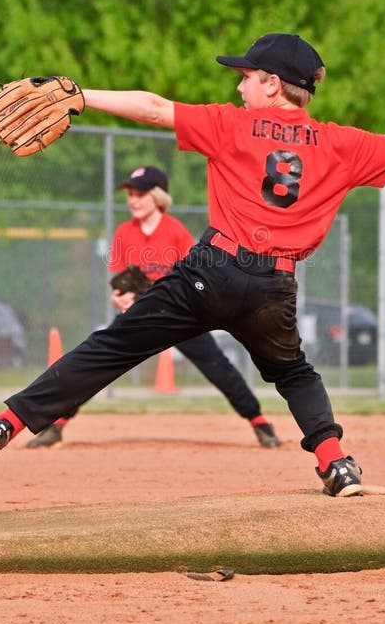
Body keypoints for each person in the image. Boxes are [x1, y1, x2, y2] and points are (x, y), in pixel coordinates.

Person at [0, 33, 385, 496]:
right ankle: (335, 462)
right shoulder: (342, 143)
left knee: (113, 346)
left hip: (210, 270)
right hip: (274, 286)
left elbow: (154, 108)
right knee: (293, 372)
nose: (239, 84)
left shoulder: (232, 125)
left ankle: (5, 423)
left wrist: (81, 95)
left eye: (247, 75)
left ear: (272, 84)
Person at [26, 164, 281, 449]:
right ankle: (58, 423)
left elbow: (193, 274)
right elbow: (120, 280)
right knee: (95, 362)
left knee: (218, 366)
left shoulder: (175, 231)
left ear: (158, 196)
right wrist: (120, 298)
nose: (133, 199)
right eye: (131, 194)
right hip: (140, 312)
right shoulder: (124, 232)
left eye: (140, 193)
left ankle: (258, 421)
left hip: (183, 314)